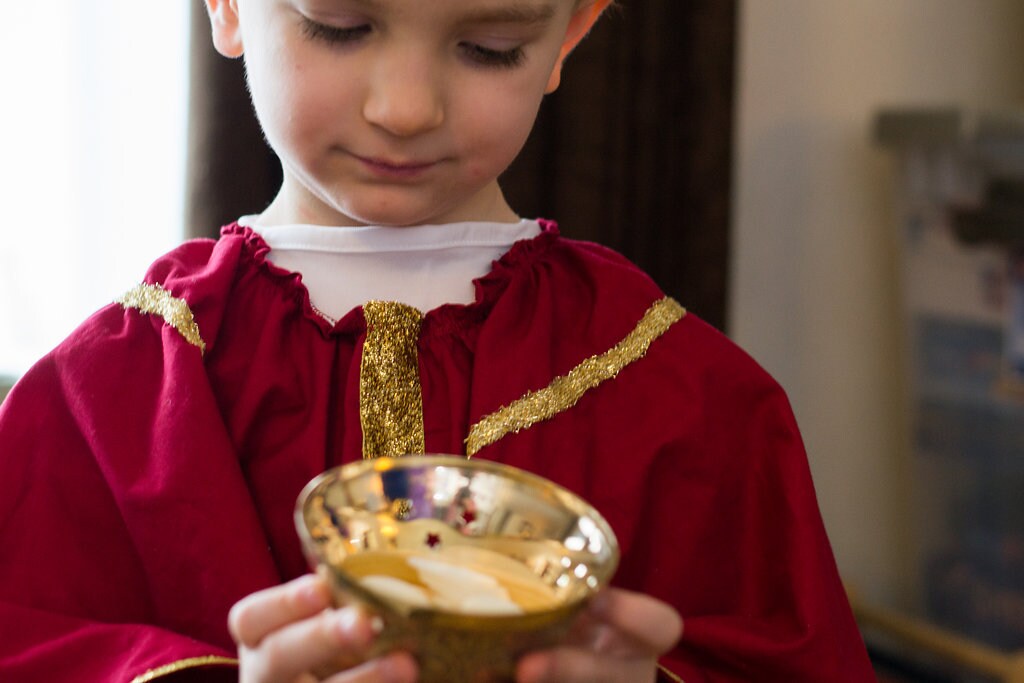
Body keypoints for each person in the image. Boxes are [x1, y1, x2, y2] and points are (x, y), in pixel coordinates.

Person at [0, 0, 876, 681]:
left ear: (567, 35)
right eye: (339, 26)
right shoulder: (108, 398)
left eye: (490, 45)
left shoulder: (689, 398)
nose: (406, 108)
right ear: (227, 6)